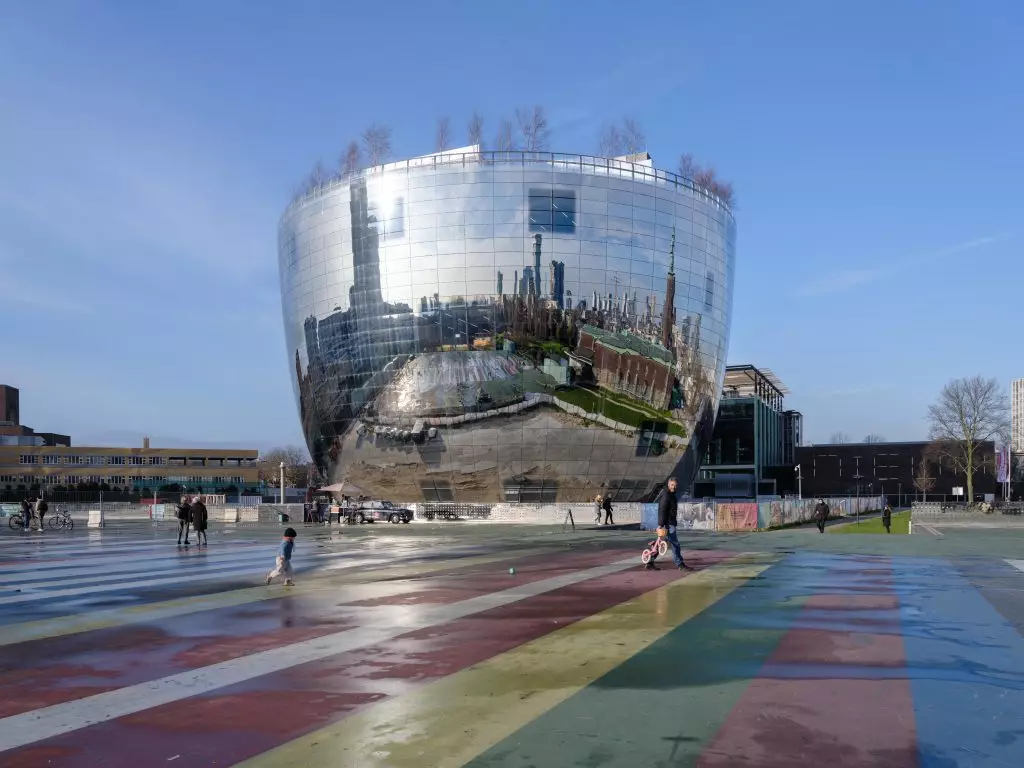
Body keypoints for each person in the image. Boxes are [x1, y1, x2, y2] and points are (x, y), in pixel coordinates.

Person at [652, 477, 691, 571]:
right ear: (669, 484)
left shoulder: (672, 495)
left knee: (661, 543)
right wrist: (660, 524)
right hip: (667, 524)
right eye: (672, 485)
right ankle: (680, 564)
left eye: (675, 485)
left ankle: (649, 561)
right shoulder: (666, 495)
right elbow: (662, 510)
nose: (674, 487)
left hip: (670, 522)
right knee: (675, 544)